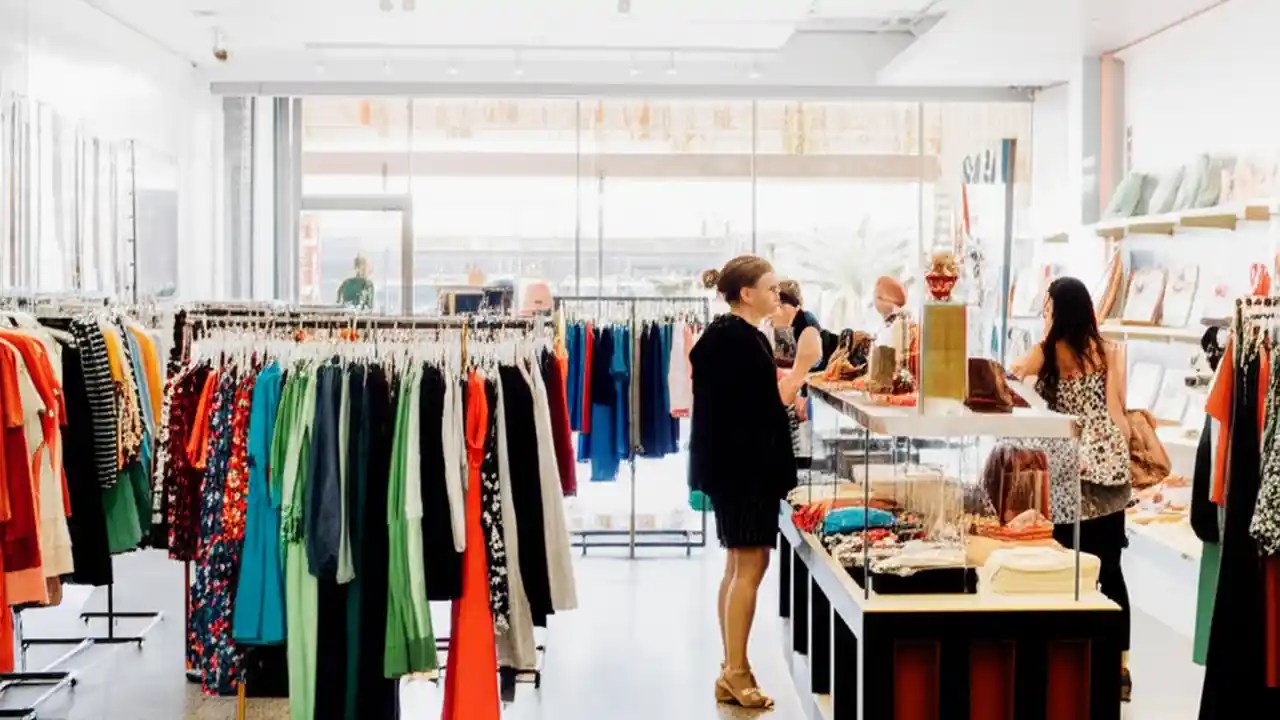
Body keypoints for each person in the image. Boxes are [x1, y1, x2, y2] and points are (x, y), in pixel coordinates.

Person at [1010, 276, 1134, 702]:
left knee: (1063, 560)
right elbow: (1117, 411)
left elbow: (1012, 374)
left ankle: (1068, 655)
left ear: (1056, 310)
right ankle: (1119, 667)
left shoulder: (1047, 350)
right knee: (1111, 568)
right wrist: (1123, 460)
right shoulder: (1112, 351)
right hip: (1109, 466)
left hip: (1067, 463)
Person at [690, 255, 798, 710]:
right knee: (749, 567)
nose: (779, 296)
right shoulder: (739, 339)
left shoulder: (728, 336)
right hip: (745, 469)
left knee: (738, 566)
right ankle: (736, 671)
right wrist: (804, 366)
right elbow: (765, 406)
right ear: (747, 294)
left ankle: (731, 667)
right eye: (772, 289)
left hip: (731, 467)